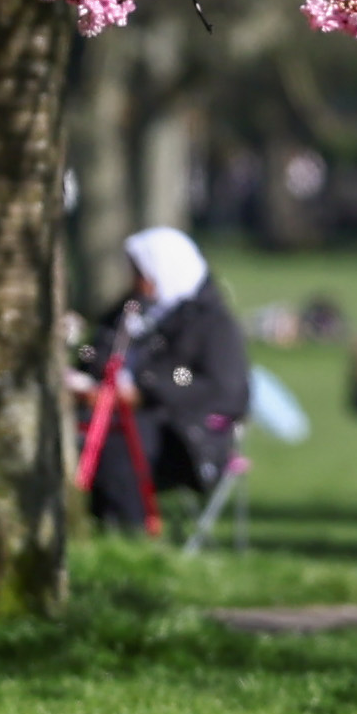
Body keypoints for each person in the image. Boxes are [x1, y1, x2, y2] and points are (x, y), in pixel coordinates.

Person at [84, 227, 250, 535]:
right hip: (114, 417)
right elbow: (93, 353)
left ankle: (127, 535)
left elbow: (220, 387)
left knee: (118, 440)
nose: (137, 283)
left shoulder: (213, 325)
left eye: (141, 273)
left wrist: (147, 390)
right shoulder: (130, 311)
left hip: (185, 436)